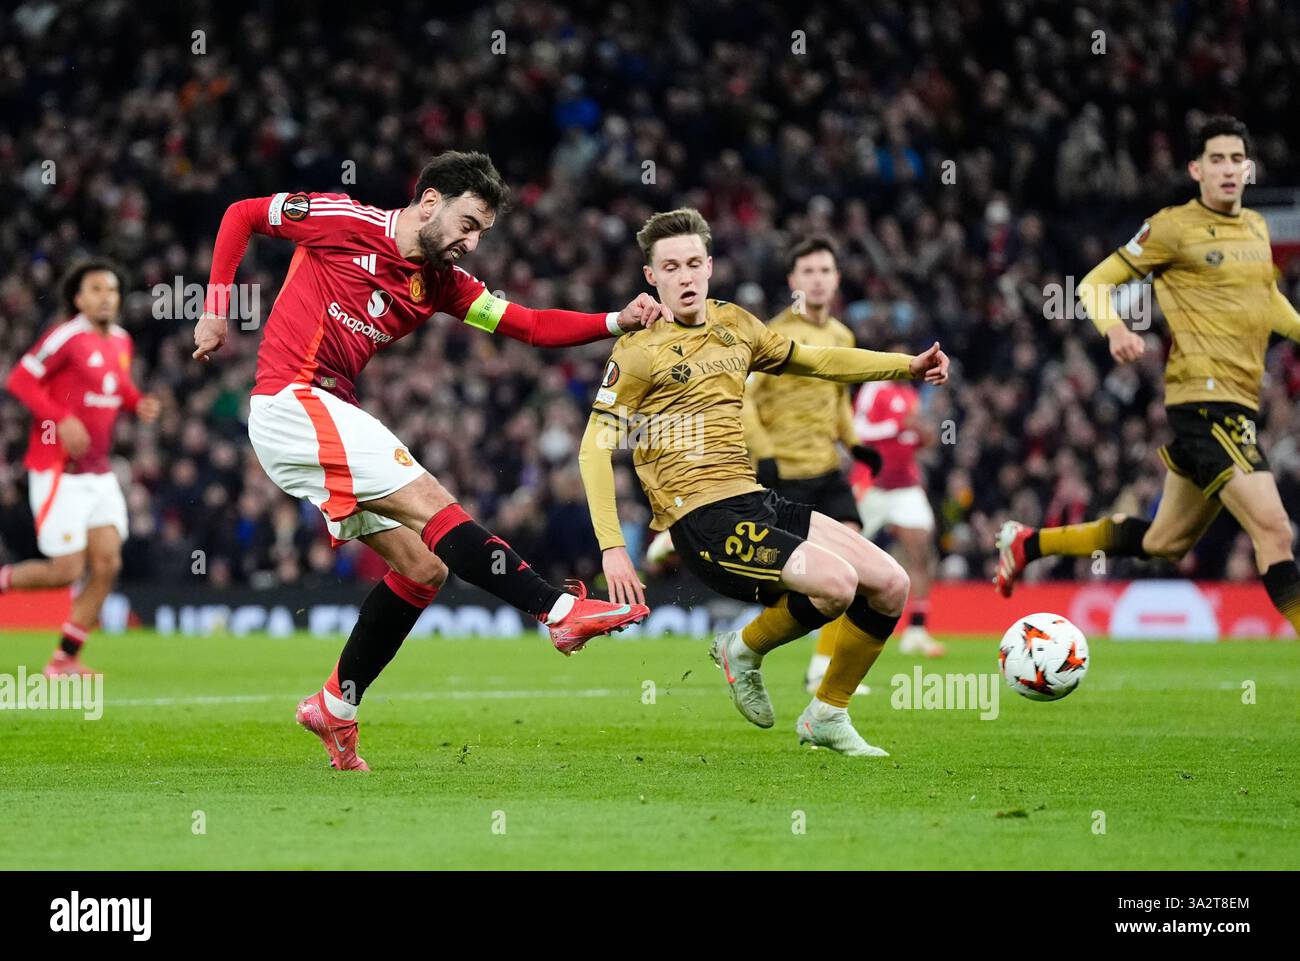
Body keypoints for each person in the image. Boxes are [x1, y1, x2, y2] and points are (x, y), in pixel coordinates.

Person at [196, 150, 667, 771]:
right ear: (429, 202)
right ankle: (555, 610)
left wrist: (615, 319)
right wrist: (214, 306)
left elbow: (525, 324)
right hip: (292, 400)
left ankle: (336, 707)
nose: (472, 243)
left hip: (324, 415)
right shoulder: (342, 219)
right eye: (468, 224)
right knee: (433, 501)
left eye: (482, 233)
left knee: (423, 569)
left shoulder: (442, 284)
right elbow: (241, 214)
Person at [578, 209, 949, 757]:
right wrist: (612, 548)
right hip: (700, 519)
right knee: (837, 583)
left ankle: (827, 713)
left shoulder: (737, 324)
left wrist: (905, 367)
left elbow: (816, 361)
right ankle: (744, 650)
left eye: (694, 264)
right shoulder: (637, 351)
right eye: (670, 267)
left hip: (755, 500)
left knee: (891, 582)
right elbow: (594, 447)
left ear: (710, 266)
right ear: (650, 276)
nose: (685, 277)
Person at [994, 116, 1300, 637]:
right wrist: (1114, 329)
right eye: (1217, 160)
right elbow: (1094, 285)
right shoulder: (1172, 228)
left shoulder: (1255, 228)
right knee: (1274, 530)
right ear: (1196, 169)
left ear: (1248, 169)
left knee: (1164, 543)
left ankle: (1028, 544)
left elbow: (1267, 300)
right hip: (1204, 401)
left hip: (1239, 401)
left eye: (1236, 160)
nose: (1228, 170)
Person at [2, 260, 160, 676]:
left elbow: (116, 386)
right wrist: (60, 418)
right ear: (78, 298)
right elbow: (19, 379)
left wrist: (135, 401)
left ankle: (64, 658)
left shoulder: (122, 341)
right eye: (95, 289)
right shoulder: (66, 336)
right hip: (58, 469)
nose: (106, 296)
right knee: (65, 570)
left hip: (98, 472)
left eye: (111, 289)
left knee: (108, 564)